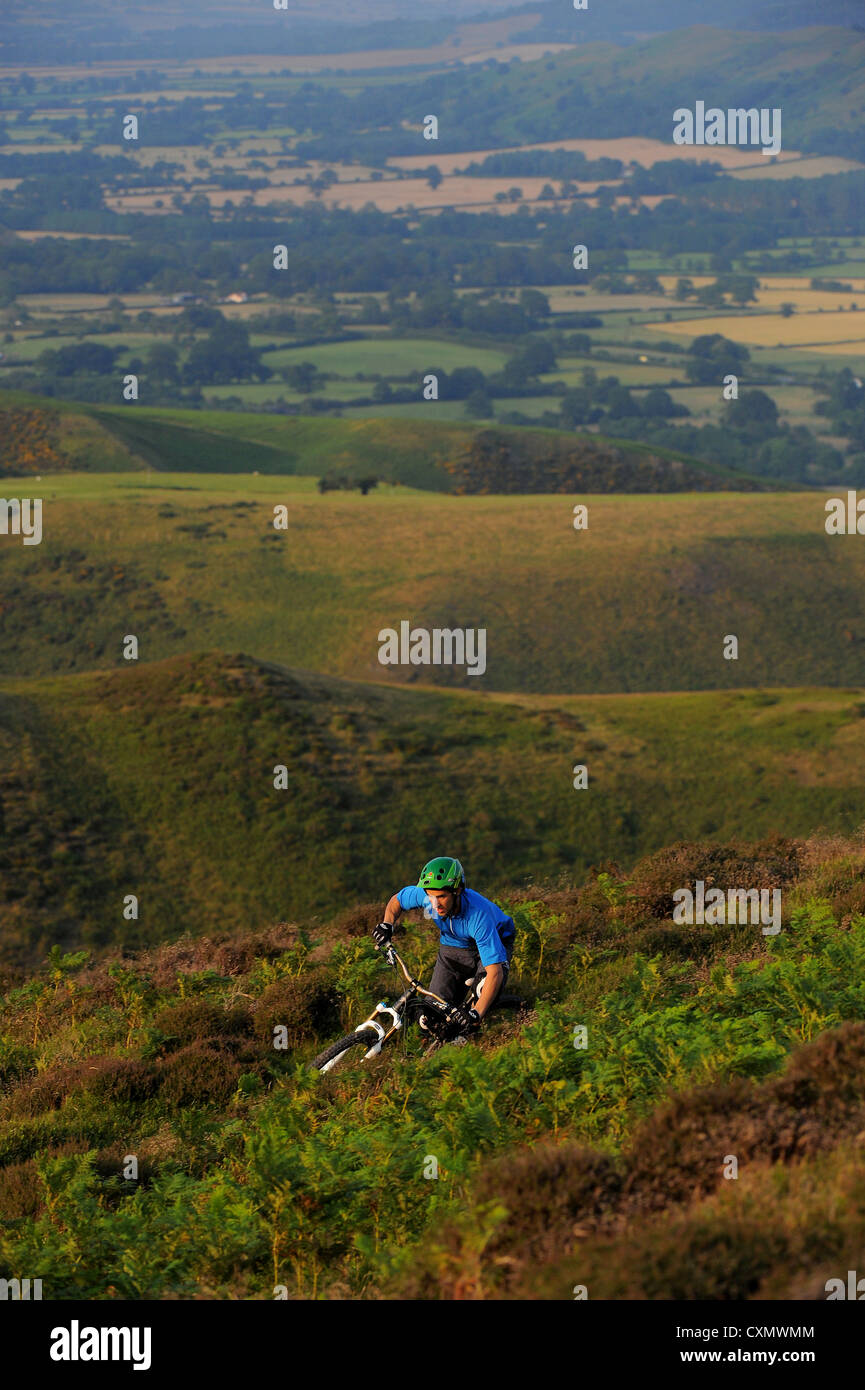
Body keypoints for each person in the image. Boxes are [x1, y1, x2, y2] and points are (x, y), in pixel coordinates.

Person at [372, 856, 515, 1045]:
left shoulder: (478, 916)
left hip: (493, 942)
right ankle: (446, 1044)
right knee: (429, 1017)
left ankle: (474, 1038)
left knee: (482, 993)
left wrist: (475, 1013)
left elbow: (495, 972)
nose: (435, 904)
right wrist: (386, 924)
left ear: (457, 891)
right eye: (431, 896)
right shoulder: (427, 897)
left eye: (441, 897)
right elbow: (396, 900)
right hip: (453, 945)